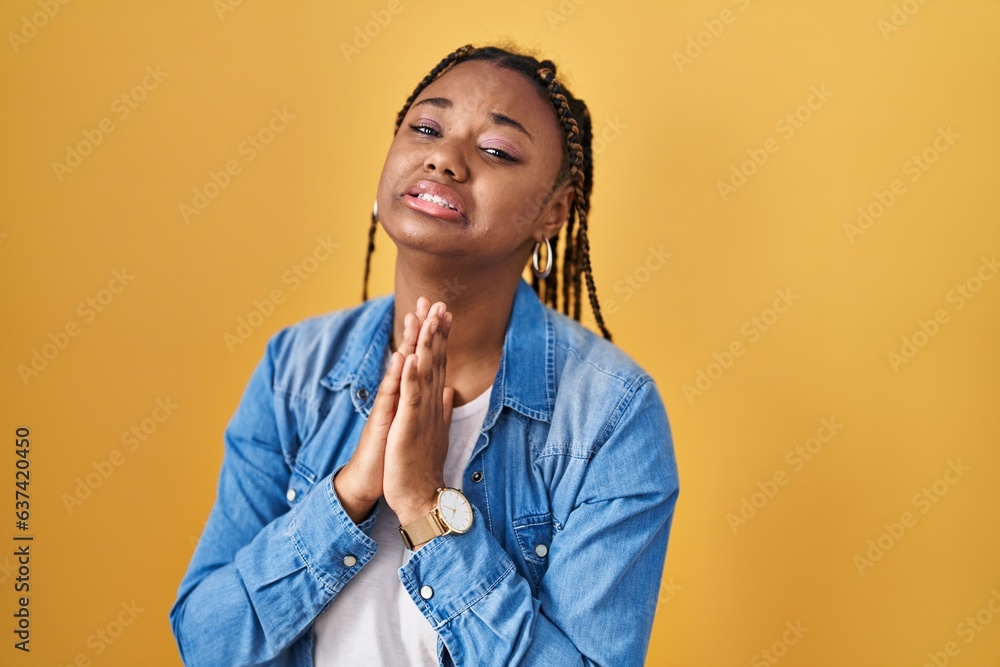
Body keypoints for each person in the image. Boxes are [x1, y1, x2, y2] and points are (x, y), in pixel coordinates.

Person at [170, 43, 679, 666]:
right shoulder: (296, 370)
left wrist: (423, 507)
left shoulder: (609, 415)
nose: (444, 157)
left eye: (496, 151)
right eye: (426, 128)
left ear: (553, 213)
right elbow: (207, 641)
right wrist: (352, 493)